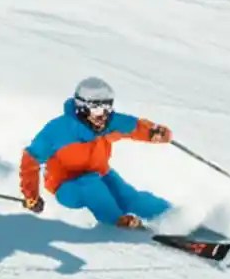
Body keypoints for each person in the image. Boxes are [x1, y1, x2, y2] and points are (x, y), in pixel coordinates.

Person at [19, 77, 175, 229]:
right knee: (91, 185)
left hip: (101, 174)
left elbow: (133, 126)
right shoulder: (58, 130)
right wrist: (31, 195)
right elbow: (30, 160)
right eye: (97, 109)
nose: (103, 115)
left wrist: (154, 132)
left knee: (128, 196)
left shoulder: (108, 122)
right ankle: (116, 223)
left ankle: (171, 215)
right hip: (66, 186)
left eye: (107, 108)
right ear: (82, 107)